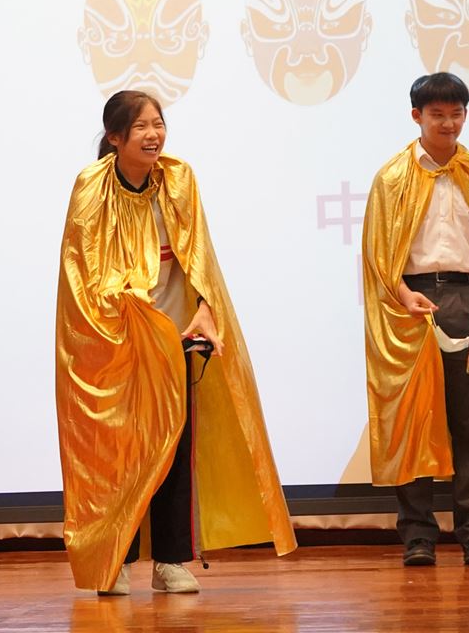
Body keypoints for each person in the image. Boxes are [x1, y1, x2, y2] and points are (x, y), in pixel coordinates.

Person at [55, 90, 296, 596]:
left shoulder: (178, 179)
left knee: (176, 449)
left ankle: (170, 560)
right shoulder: (92, 186)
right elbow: (84, 273)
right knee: (117, 453)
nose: (153, 135)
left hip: (177, 335)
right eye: (141, 126)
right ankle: (114, 558)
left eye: (158, 124)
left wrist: (205, 308)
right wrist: (131, 321)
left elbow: (199, 256)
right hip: (116, 340)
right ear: (114, 137)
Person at [362, 72, 469, 566]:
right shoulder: (392, 178)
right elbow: (378, 254)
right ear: (417, 116)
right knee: (413, 423)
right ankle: (418, 535)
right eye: (437, 114)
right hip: (410, 305)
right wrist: (403, 295)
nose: (448, 123)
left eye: (456, 114)